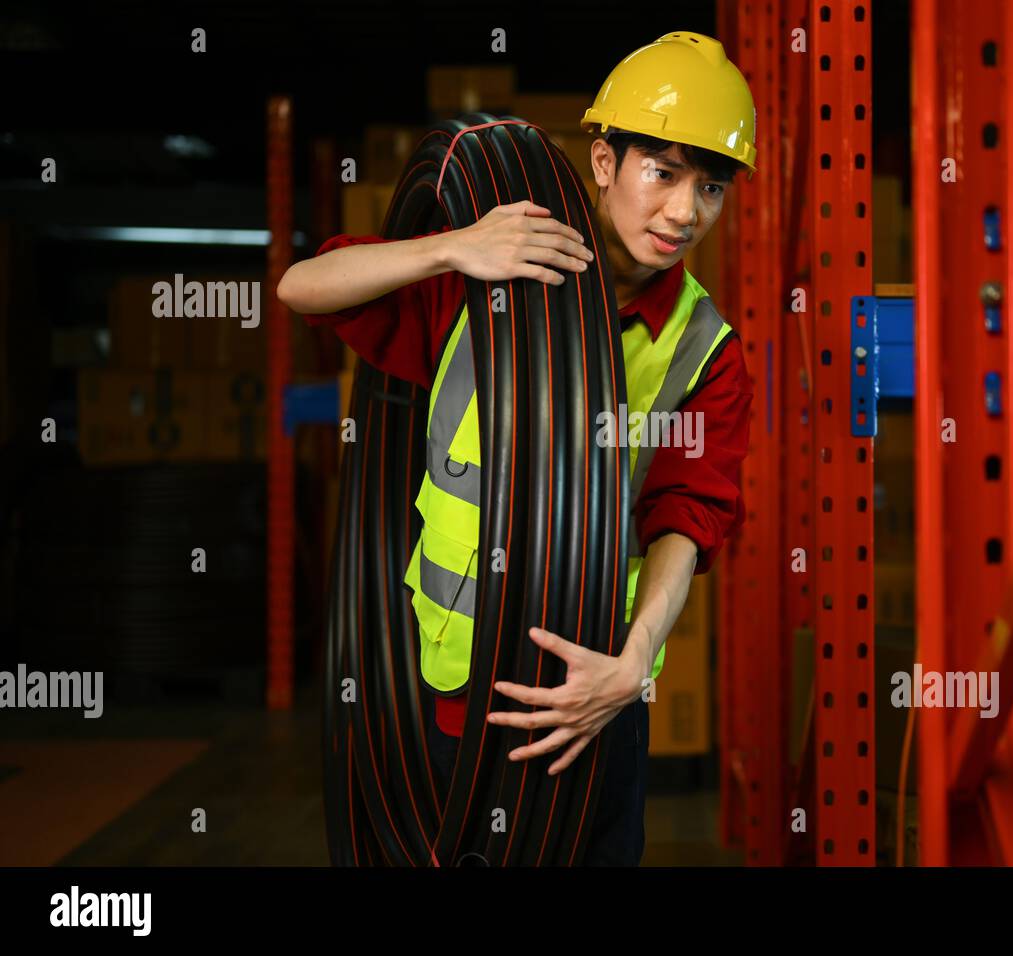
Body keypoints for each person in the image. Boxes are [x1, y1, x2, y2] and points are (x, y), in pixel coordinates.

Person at [278, 30, 756, 865]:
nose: (686, 212)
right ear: (604, 161)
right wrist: (449, 246)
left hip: (591, 701)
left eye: (711, 187)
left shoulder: (705, 348)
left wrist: (633, 664)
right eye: (664, 173)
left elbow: (687, 519)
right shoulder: (481, 275)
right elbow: (300, 288)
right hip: (451, 688)